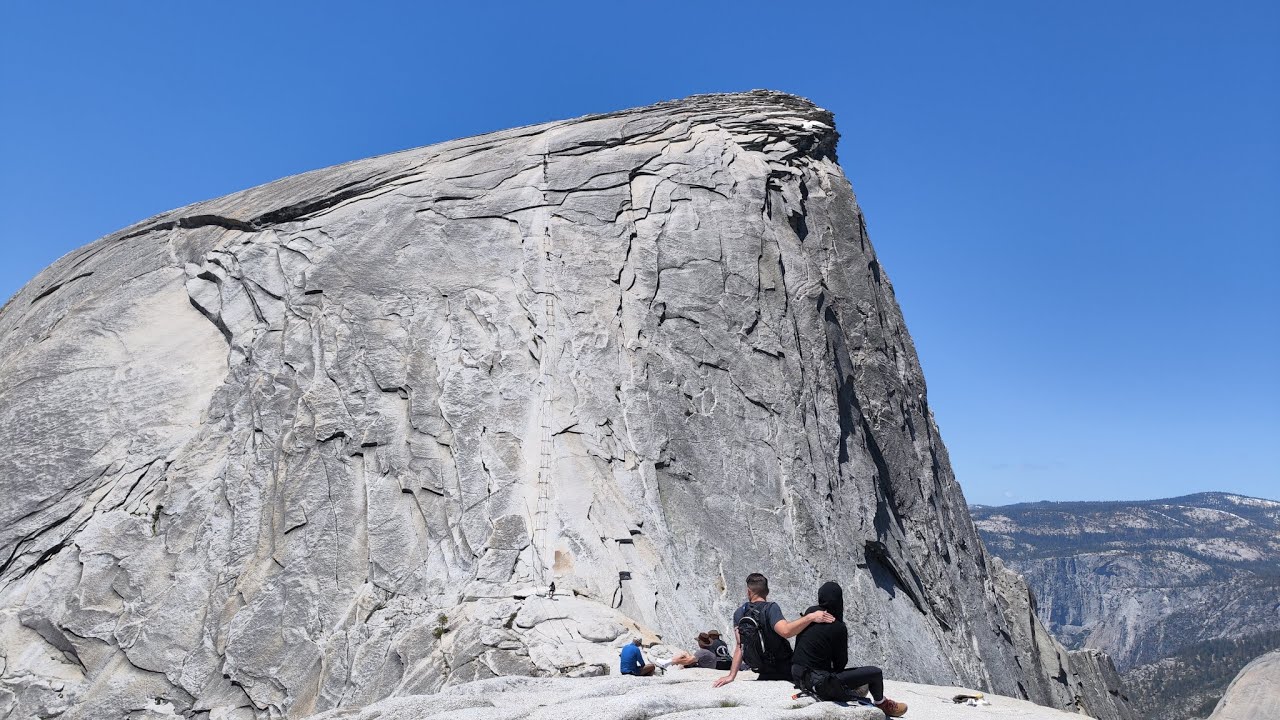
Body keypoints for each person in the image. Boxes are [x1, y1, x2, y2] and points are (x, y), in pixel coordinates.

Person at [791, 581, 908, 717]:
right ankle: (881, 703)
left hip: (797, 674)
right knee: (875, 673)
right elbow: (841, 664)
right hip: (820, 684)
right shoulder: (838, 626)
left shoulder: (811, 613)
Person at [713, 573, 835, 687]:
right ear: (767, 591)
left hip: (762, 670)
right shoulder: (770, 608)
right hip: (784, 669)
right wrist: (811, 617)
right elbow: (786, 631)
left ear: (749, 592)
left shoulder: (740, 613)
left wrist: (731, 676)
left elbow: (740, 645)